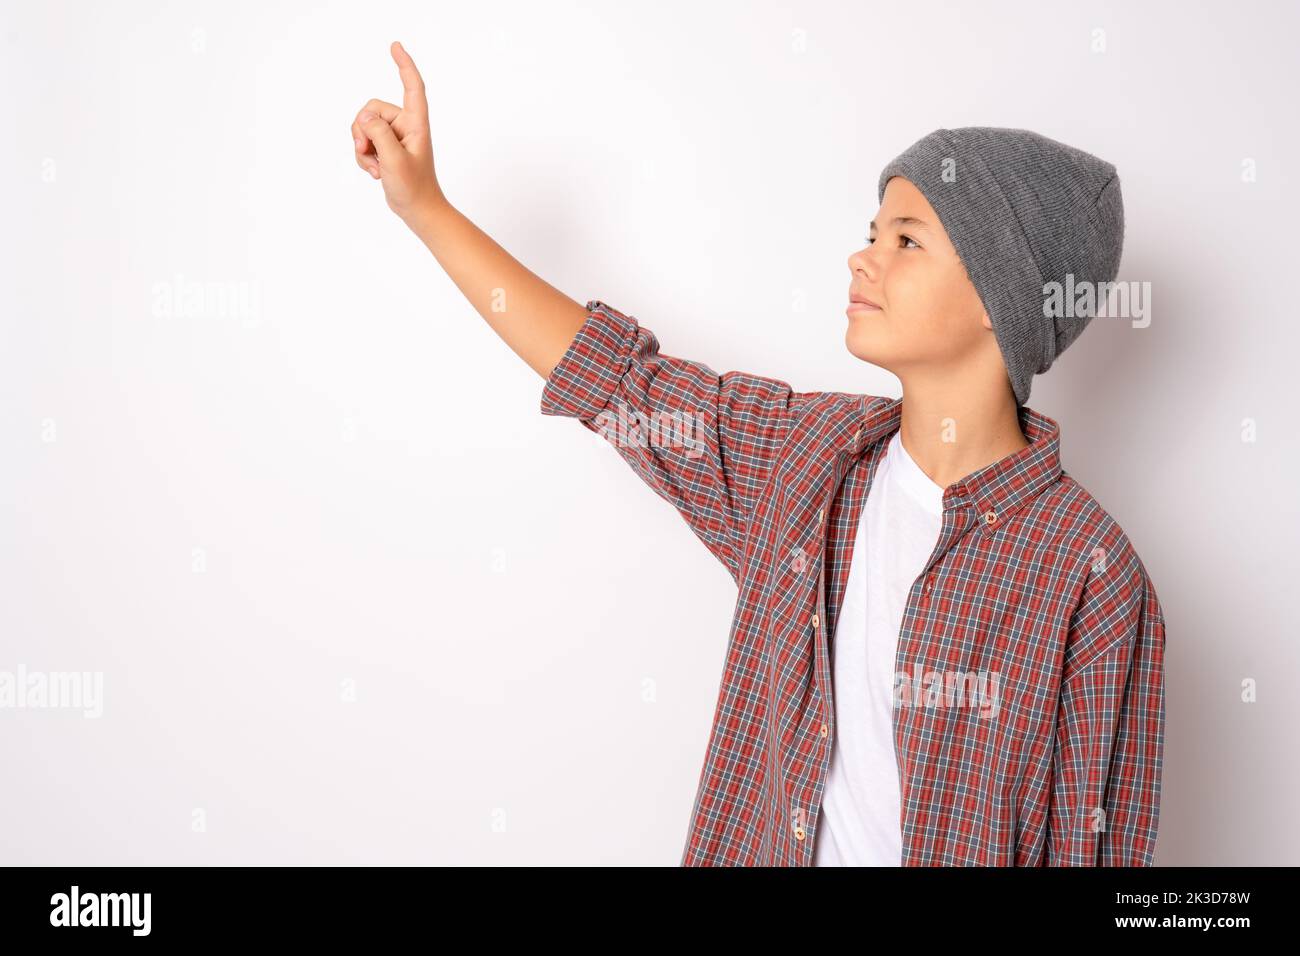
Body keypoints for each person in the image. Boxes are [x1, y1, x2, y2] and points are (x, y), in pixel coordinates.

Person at [351, 41, 1166, 866]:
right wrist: (426, 207)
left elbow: (1100, 850)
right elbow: (614, 379)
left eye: (908, 241)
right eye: (872, 231)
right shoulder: (805, 461)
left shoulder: (1092, 577)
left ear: (1006, 300)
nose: (864, 255)